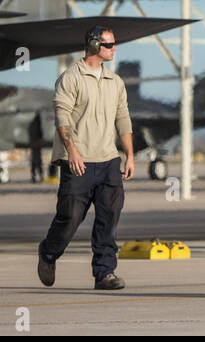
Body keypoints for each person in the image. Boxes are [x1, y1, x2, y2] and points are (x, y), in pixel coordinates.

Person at [37, 26, 135, 290]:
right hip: (78, 162)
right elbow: (62, 117)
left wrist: (130, 155)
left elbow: (122, 118)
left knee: (109, 217)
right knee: (69, 218)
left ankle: (105, 273)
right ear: (93, 46)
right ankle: (48, 252)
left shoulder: (115, 82)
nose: (114, 48)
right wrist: (72, 152)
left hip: (108, 161)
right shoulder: (70, 78)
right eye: (109, 44)